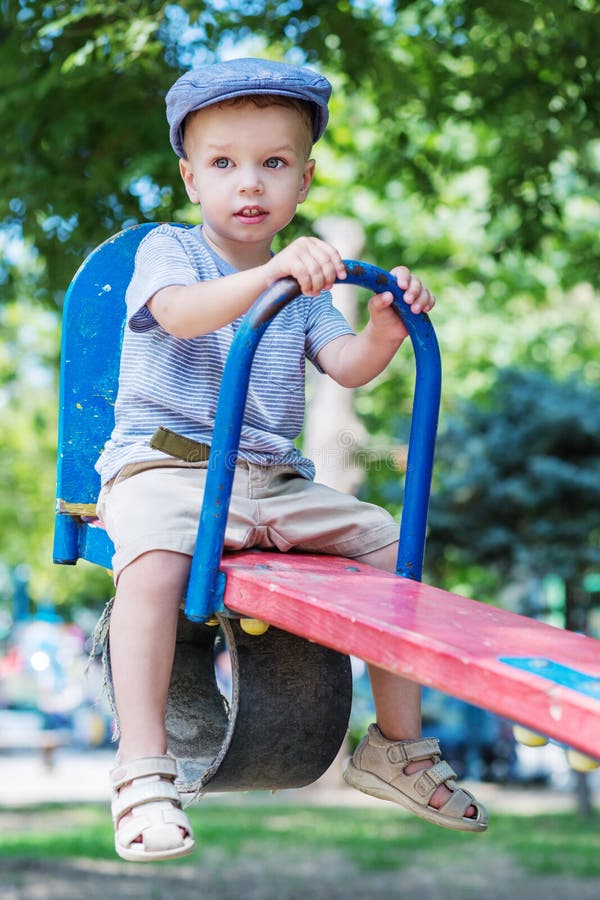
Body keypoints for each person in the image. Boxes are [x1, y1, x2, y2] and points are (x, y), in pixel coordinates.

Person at [96, 57, 488, 863]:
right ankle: (142, 769)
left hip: (271, 482)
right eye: (224, 163)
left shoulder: (307, 290)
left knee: (386, 541)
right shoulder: (170, 253)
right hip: (165, 468)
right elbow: (181, 317)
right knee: (156, 562)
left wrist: (384, 324)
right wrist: (272, 273)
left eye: (273, 163)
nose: (250, 183)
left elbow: (346, 364)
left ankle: (394, 747)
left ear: (303, 182)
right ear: (190, 177)